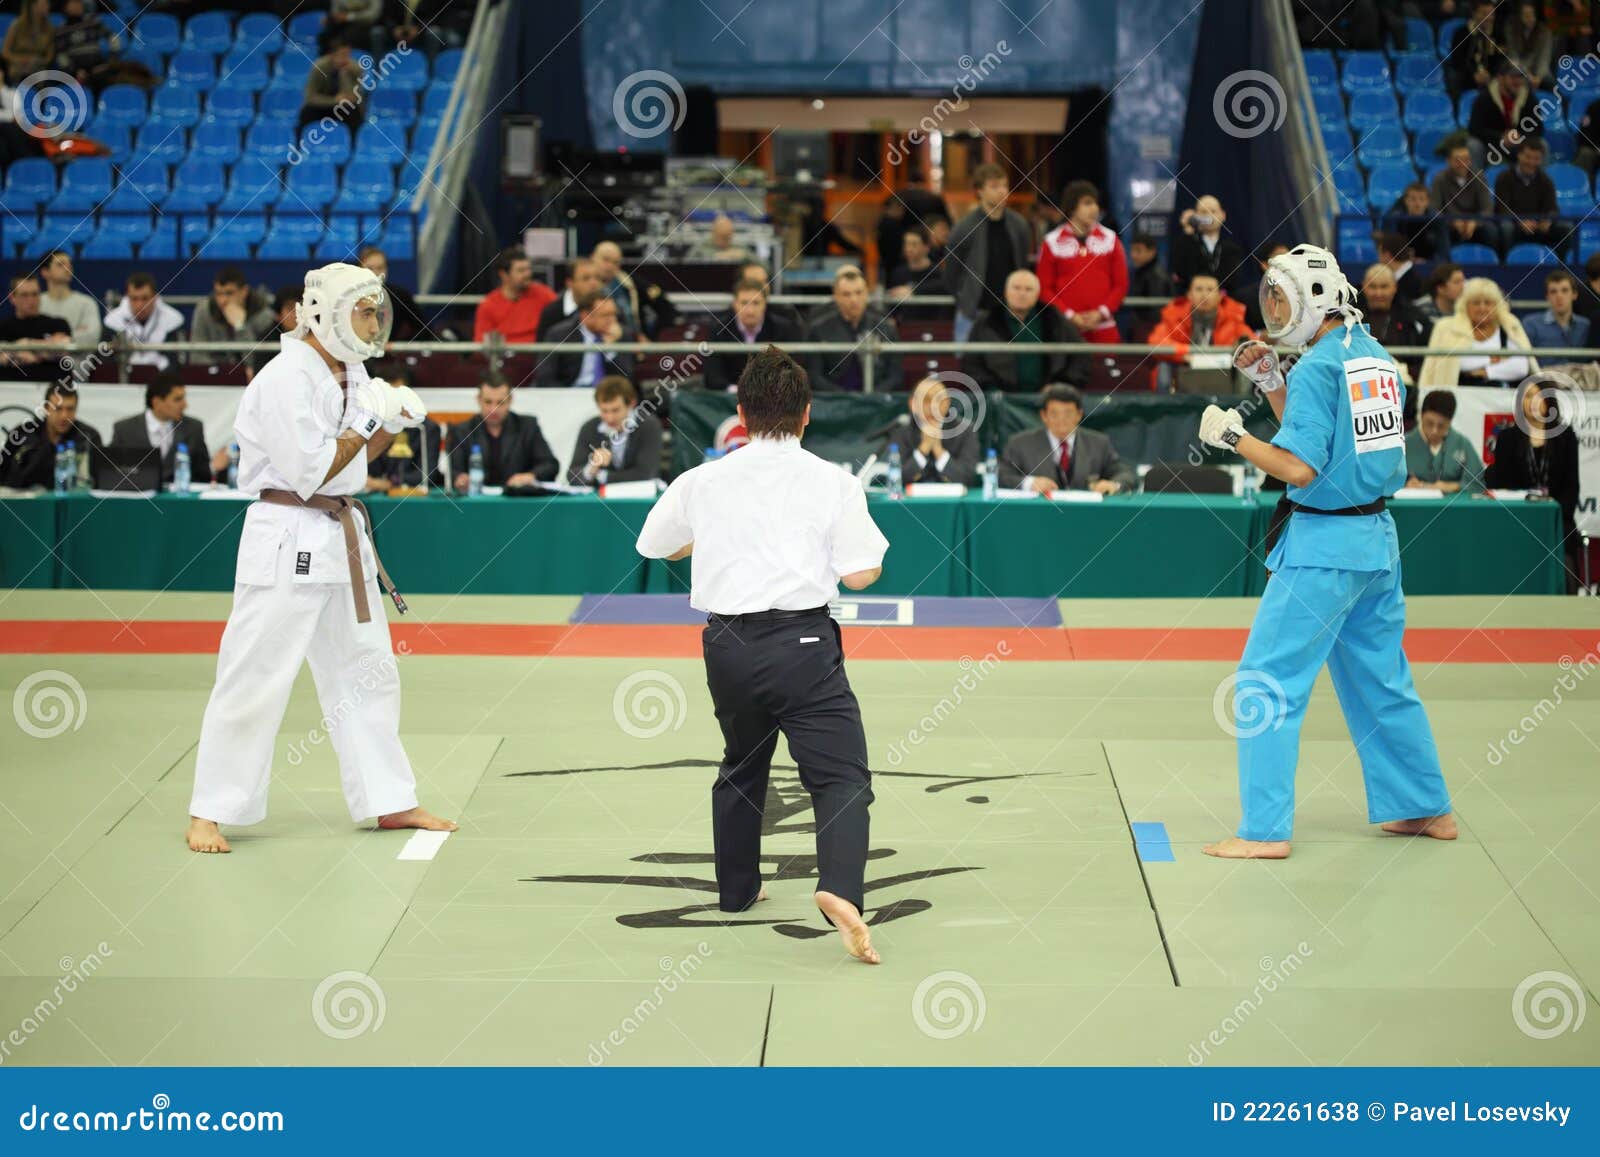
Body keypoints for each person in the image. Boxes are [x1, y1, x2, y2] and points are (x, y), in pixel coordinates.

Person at [1198, 243, 1455, 858]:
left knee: (1267, 682)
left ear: (1314, 299)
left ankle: (1263, 831)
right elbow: (1325, 437)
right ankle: (1425, 807)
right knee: (1381, 679)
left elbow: (1299, 466)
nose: (1276, 311)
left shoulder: (1318, 367)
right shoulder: (1376, 358)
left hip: (1322, 548)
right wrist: (1272, 384)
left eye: (1282, 299)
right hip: (1375, 543)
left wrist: (1233, 435)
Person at [186, 263, 453, 853]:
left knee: (368, 670)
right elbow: (311, 470)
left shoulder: (353, 372)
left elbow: (354, 459)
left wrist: (388, 424)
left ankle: (389, 798)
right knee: (256, 673)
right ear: (326, 314)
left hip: (342, 534)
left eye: (376, 313)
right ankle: (210, 809)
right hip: (289, 532)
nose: (374, 324)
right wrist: (369, 420)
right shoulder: (285, 378)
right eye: (363, 312)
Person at [634, 346, 889, 964]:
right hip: (803, 645)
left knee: (742, 762)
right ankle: (840, 888)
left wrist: (705, 542)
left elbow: (655, 545)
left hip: (727, 646)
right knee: (840, 775)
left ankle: (737, 890)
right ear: (807, 414)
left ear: (741, 415)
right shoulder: (833, 481)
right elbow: (860, 574)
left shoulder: (702, 479)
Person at [1485, 378, 1584, 591]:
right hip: (1518, 518)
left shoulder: (1566, 437)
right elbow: (1503, 486)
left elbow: (1571, 487)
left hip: (1556, 520)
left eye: (1536, 395)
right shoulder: (1508, 438)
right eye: (1526, 396)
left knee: (1563, 545)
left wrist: (1553, 513)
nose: (1530, 401)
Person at [944, 163, 1034, 343]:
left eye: (1004, 185)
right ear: (980, 191)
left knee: (1012, 359)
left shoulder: (1019, 225)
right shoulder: (964, 228)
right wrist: (965, 300)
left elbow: (1023, 264)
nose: (1002, 191)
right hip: (973, 311)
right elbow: (951, 273)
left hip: (1010, 311)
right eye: (994, 186)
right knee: (966, 359)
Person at [964, 269, 1090, 392]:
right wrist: (991, 391)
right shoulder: (987, 320)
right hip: (998, 400)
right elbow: (971, 362)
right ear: (1006, 291)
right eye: (1016, 288)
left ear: (1037, 294)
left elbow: (1081, 353)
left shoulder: (1053, 318)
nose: (1022, 294)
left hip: (1048, 399)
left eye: (1028, 289)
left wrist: (1061, 386)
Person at [997, 382, 1135, 494]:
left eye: (1068, 413)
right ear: (1043, 416)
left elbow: (1125, 473)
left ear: (1079, 414)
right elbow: (1001, 475)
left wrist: (1113, 485)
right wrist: (1029, 483)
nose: (1061, 420)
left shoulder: (1099, 443)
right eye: (1054, 414)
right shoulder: (1020, 443)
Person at [1037, 180, 1128, 344]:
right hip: (1065, 331)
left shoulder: (1111, 239)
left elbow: (1121, 285)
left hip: (1104, 330)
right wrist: (1071, 316)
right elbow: (1044, 288)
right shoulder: (1051, 241)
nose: (1094, 208)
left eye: (1095, 203)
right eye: (1087, 203)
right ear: (1072, 208)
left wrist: (1101, 313)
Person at [109, 371, 228, 484]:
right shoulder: (124, 430)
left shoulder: (193, 428)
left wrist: (214, 467)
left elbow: (203, 474)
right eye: (177, 399)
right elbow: (110, 471)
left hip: (179, 497)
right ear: (157, 402)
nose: (185, 405)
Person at [1419, 276, 1537, 385]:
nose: (1482, 308)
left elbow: (1521, 367)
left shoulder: (1508, 325)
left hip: (1502, 395)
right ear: (1465, 306)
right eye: (1476, 303)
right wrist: (1492, 359)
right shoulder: (1446, 327)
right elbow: (1457, 362)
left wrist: (1486, 372)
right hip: (1459, 393)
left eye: (1488, 303)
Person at [448, 377, 558, 490]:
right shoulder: (462, 431)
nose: (494, 409)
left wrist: (531, 476)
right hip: (475, 496)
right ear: (478, 400)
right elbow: (453, 471)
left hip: (517, 496)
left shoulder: (528, 427)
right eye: (488, 402)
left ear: (510, 401)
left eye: (500, 402)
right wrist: (460, 479)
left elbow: (550, 465)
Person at [803, 266, 898, 392]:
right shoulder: (818, 330)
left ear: (867, 294)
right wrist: (844, 397)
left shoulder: (886, 327)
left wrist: (872, 397)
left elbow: (896, 375)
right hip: (833, 399)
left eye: (859, 293)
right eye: (846, 294)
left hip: (877, 398)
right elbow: (814, 377)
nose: (854, 300)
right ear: (836, 296)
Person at [1149, 272, 1256, 382]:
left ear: (1220, 296)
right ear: (1189, 295)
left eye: (1210, 290)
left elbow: (1252, 342)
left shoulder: (1233, 316)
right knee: (1164, 366)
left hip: (1222, 372)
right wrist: (1185, 354)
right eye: (1199, 289)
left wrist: (1237, 350)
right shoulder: (1174, 314)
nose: (1204, 295)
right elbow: (1156, 341)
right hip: (1185, 368)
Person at [703, 277, 803, 393]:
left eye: (756, 303)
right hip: (729, 397)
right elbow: (712, 377)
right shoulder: (718, 330)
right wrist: (736, 391)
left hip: (773, 397)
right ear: (734, 304)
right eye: (744, 303)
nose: (750, 310)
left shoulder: (784, 329)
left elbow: (792, 373)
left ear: (765, 304)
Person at [565, 376, 663, 487]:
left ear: (631, 404)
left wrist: (601, 476)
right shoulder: (589, 428)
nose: (610, 418)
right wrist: (592, 467)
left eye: (615, 410)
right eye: (604, 411)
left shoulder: (649, 426)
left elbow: (645, 474)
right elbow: (572, 476)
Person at [0, 381, 101, 489]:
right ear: (46, 408)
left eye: (70, 409)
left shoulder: (88, 437)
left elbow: (97, 484)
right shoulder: (23, 434)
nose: (64, 416)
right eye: (58, 409)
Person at [884, 376, 980, 486]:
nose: (933, 406)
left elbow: (967, 478)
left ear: (948, 403)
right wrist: (924, 448)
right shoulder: (901, 431)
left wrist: (938, 450)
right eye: (927, 400)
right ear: (912, 404)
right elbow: (897, 479)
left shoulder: (965, 431)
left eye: (939, 400)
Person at [534, 290, 636, 387]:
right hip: (569, 393)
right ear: (585, 315)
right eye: (606, 315)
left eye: (614, 314)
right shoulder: (559, 334)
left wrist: (610, 349)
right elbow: (545, 376)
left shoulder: (622, 334)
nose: (612, 320)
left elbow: (627, 379)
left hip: (607, 395)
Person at [364, 366, 443, 491]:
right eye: (387, 396)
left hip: (412, 497)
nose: (393, 402)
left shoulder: (426, 429)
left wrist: (390, 483)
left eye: (397, 395)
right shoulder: (369, 425)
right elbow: (364, 467)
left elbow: (428, 475)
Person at [189, 267, 278, 368]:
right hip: (215, 373)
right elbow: (196, 356)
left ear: (244, 291)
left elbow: (256, 362)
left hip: (251, 376)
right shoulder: (204, 310)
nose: (223, 300)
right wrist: (221, 371)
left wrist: (240, 327)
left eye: (229, 293)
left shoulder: (263, 315)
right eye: (218, 293)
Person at [1358, 264, 1430, 386]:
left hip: (1404, 383)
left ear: (1394, 287)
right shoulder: (1349, 318)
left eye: (1384, 287)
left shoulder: (1414, 319)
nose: (1378, 293)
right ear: (1364, 286)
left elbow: (1424, 360)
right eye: (1372, 287)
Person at [1405, 389, 1485, 493]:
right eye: (1429, 423)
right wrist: (1405, 483)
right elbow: (1389, 480)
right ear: (1421, 416)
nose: (1434, 431)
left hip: (1453, 502)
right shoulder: (1404, 444)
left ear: (1450, 422)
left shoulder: (1462, 444)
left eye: (1441, 426)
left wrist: (1454, 486)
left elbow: (1478, 483)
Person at [1429, 143, 1503, 255]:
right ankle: (1445, 262)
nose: (1463, 164)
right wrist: (1452, 222)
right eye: (1458, 160)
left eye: (1466, 159)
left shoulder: (1479, 177)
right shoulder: (1439, 179)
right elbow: (1434, 208)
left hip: (1475, 223)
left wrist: (1475, 222)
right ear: (1448, 161)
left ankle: (1493, 261)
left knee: (1491, 230)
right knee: (1438, 231)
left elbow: (1487, 208)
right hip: (1450, 224)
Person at [1170, 195, 1248, 297]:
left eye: (1213, 211)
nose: (1208, 216)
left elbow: (1233, 282)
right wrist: (1188, 231)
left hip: (1224, 302)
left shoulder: (1232, 250)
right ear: (1195, 216)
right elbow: (1181, 273)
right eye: (1203, 212)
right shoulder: (1185, 244)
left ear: (1223, 215)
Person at [473, 248, 556, 345]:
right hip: (505, 353)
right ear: (503, 274)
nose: (528, 274)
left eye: (528, 269)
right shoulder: (488, 305)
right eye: (521, 270)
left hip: (541, 352)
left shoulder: (545, 295)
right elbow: (482, 343)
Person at [1468, 60, 1542, 167]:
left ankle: (1535, 177)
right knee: (1473, 145)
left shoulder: (1529, 98)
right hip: (1491, 144)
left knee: (1542, 145)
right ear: (1500, 78)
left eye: (1520, 77)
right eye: (1513, 77)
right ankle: (1476, 177)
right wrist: (1500, 137)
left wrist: (1520, 136)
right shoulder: (1484, 98)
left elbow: (1538, 128)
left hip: (1520, 145)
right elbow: (1474, 129)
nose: (1517, 81)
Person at [103, 272, 186, 368]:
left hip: (163, 375)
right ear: (127, 297)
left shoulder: (173, 320)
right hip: (124, 374)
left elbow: (177, 362)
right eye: (134, 299)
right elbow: (106, 363)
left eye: (145, 298)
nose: (140, 305)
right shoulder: (112, 321)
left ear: (155, 297)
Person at [0, 273, 71, 379]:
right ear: (12, 298)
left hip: (53, 385)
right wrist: (45, 350)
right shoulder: (3, 327)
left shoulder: (58, 324)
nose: (31, 300)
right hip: (11, 385)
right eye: (24, 295)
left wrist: (26, 344)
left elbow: (63, 348)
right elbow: (2, 358)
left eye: (35, 294)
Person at [1494, 137, 1559, 250]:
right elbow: (1502, 208)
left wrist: (1547, 220)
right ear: (1519, 155)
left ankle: (1560, 261)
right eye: (1528, 157)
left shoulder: (1546, 180)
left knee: (1566, 227)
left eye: (1536, 158)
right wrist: (1520, 221)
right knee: (1506, 227)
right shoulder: (1504, 177)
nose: (1531, 162)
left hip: (1538, 226)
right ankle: (1506, 260)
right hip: (1514, 224)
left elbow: (1553, 208)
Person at [359, 246, 430, 341]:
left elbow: (426, 330)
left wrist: (396, 345)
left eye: (380, 268)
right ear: (359, 269)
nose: (375, 273)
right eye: (370, 268)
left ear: (386, 269)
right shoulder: (350, 296)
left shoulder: (399, 296)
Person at [1521, 268, 1591, 362]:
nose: (1559, 296)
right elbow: (1523, 361)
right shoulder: (1531, 324)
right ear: (1547, 296)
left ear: (1574, 294)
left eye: (1564, 290)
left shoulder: (1585, 325)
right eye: (1553, 292)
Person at [37, 250, 100, 348]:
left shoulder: (87, 303)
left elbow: (92, 337)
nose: (68, 267)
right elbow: (29, 334)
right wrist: (74, 334)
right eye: (60, 264)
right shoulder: (36, 303)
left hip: (79, 358)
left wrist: (54, 340)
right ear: (45, 272)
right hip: (42, 357)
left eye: (69, 264)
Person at [299, 38, 365, 132]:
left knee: (354, 111)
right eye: (342, 55)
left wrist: (344, 75)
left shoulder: (355, 69)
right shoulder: (319, 67)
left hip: (342, 107)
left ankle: (353, 140)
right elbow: (310, 97)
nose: (345, 58)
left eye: (348, 55)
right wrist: (334, 100)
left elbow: (355, 97)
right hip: (322, 104)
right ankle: (302, 138)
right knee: (307, 112)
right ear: (332, 55)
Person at [1444, 0, 1505, 101]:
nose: (1489, 18)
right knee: (1453, 78)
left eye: (1492, 14)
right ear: (1474, 13)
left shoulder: (1498, 35)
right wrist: (1473, 76)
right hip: (1467, 78)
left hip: (1490, 78)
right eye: (1484, 14)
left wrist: (1489, 74)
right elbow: (1457, 61)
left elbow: (1501, 60)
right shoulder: (1461, 33)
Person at [536, 258, 603, 339]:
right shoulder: (552, 313)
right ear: (570, 283)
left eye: (597, 278)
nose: (593, 283)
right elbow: (543, 345)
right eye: (586, 278)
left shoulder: (610, 308)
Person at [1126, 233, 1170, 338]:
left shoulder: (1156, 276)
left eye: (1138, 251)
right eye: (1132, 250)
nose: (1133, 255)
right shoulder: (1142, 272)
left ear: (1152, 252)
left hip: (1150, 331)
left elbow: (1156, 312)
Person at [591, 241, 640, 335]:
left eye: (615, 262)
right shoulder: (583, 287)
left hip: (630, 337)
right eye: (606, 260)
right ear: (592, 258)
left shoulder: (627, 284)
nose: (610, 266)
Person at [1502, 2, 1554, 88]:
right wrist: (1527, 75)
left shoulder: (1545, 31)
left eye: (1532, 15)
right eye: (1526, 16)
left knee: (1552, 85)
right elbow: (1513, 56)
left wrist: (1538, 77)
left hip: (1539, 71)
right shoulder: (1511, 30)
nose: (1530, 18)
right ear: (1519, 17)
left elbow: (1544, 57)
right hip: (1519, 70)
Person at [885, 225, 943, 299]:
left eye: (914, 244)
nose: (909, 249)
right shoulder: (898, 273)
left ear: (926, 247)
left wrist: (913, 291)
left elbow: (942, 287)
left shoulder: (937, 272)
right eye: (906, 244)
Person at [1, 0, 53, 80]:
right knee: (17, 69)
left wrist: (37, 61)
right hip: (17, 64)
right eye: (43, 4)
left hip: (37, 66)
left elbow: (49, 56)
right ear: (33, 6)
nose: (47, 7)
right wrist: (19, 59)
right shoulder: (17, 26)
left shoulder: (49, 29)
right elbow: (5, 52)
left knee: (38, 69)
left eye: (47, 4)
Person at [1373, 231, 1425, 303]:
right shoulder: (1407, 278)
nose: (1378, 259)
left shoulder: (1412, 282)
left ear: (1387, 255)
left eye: (1379, 254)